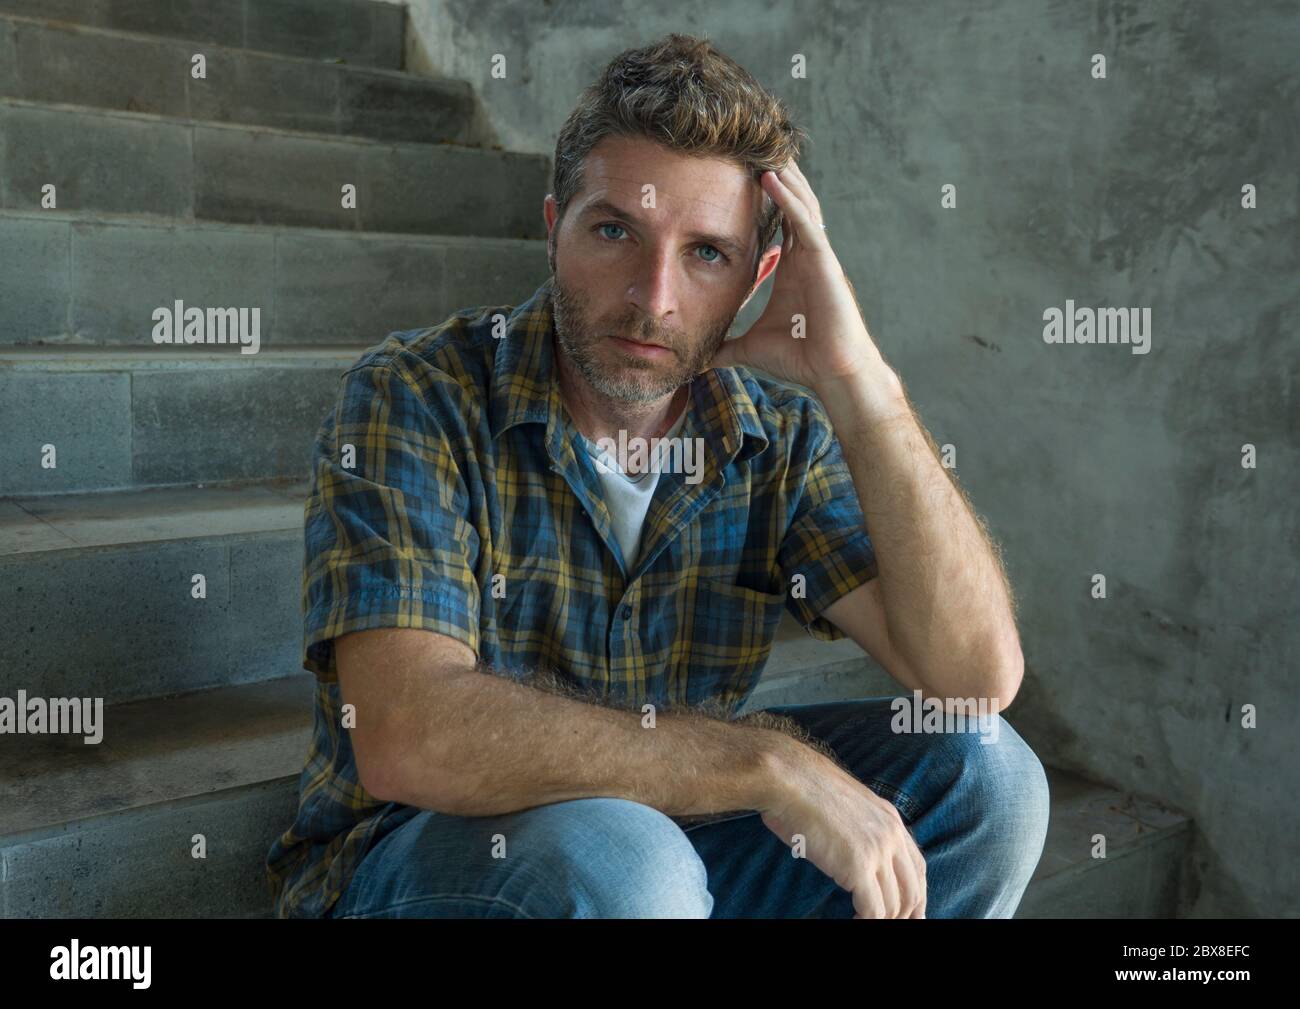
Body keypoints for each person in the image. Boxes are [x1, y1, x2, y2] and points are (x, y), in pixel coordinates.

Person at [265, 32, 1049, 919]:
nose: (654, 297)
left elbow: (973, 675)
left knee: (991, 776)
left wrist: (860, 383)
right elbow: (409, 734)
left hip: (676, 851)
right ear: (552, 226)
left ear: (758, 276)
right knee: (628, 864)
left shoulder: (773, 436)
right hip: (432, 853)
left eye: (705, 253)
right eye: (614, 231)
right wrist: (764, 763)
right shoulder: (418, 397)